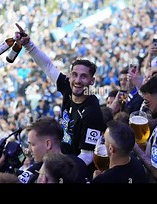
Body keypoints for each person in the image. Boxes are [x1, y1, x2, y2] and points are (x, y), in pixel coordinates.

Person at [15, 24, 106, 168]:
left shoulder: (92, 112)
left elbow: (87, 155)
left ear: (92, 81)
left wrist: (62, 170)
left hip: (74, 169)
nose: (77, 81)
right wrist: (28, 45)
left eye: (84, 77)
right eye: (74, 75)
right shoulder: (68, 86)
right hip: (61, 155)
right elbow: (48, 67)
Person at [18, 117, 90, 183]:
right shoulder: (79, 164)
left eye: (32, 144)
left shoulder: (77, 168)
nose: (30, 149)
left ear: (48, 144)